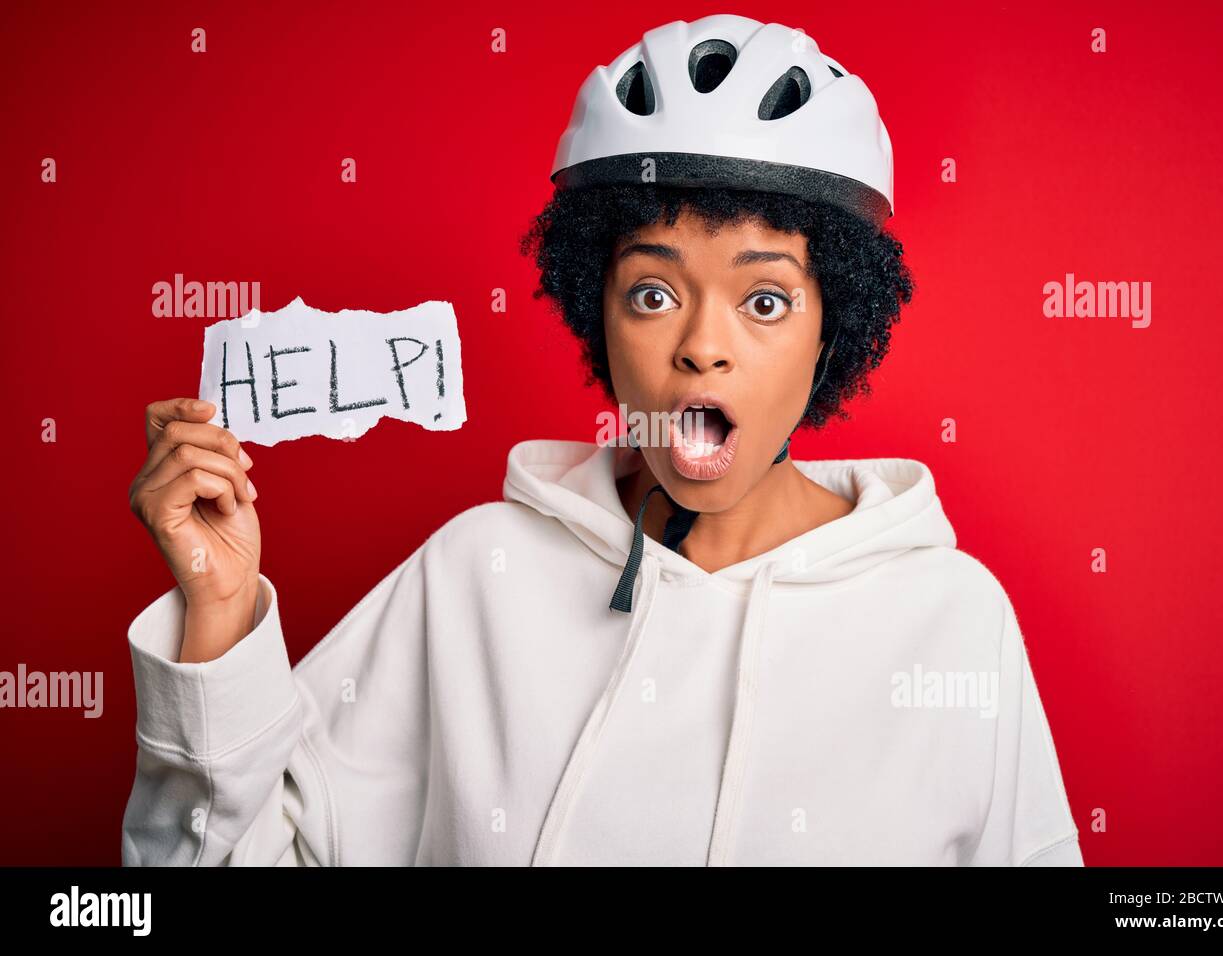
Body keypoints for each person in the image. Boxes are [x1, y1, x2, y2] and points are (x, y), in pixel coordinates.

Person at [122, 14, 1084, 866]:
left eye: (764, 300)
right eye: (654, 294)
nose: (702, 348)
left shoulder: (953, 620)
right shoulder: (471, 576)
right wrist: (218, 622)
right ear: (598, 316)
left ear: (834, 329)